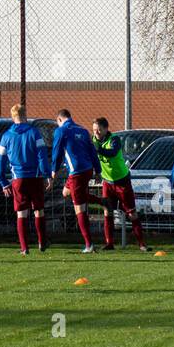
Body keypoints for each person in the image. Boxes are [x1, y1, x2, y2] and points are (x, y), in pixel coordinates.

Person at [0, 104, 51, 254]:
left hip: (18, 179)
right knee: (38, 210)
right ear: (25, 115)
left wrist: (3, 181)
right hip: (35, 177)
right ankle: (41, 242)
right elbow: (42, 155)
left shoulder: (6, 136)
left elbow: (0, 160)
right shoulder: (34, 132)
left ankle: (24, 248)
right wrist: (46, 174)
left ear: (12, 117)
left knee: (21, 212)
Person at [92, 117, 149, 252]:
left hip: (122, 181)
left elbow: (112, 153)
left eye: (99, 130)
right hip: (107, 182)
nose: (96, 133)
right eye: (94, 130)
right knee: (107, 211)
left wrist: (97, 149)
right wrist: (96, 172)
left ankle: (142, 244)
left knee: (132, 213)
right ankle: (109, 243)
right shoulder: (93, 141)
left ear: (106, 129)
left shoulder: (114, 139)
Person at [50, 108, 100, 253]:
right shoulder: (83, 130)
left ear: (59, 119)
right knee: (66, 192)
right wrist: (98, 170)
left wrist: (54, 170)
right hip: (87, 170)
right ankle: (100, 201)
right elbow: (92, 151)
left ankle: (89, 245)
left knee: (79, 208)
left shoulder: (61, 131)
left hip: (76, 172)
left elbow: (57, 152)